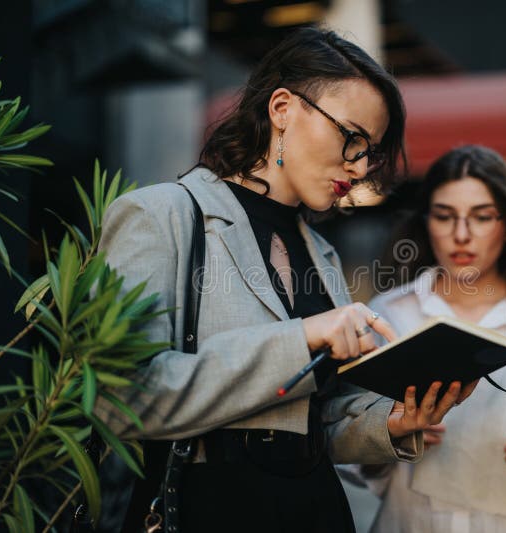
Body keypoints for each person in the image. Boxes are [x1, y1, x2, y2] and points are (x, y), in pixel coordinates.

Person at [93, 28, 475, 532]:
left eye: (372, 151)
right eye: (351, 137)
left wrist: (394, 422)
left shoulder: (322, 254)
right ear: (282, 109)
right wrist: (302, 338)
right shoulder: (159, 216)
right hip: (206, 509)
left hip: (316, 510)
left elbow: (308, 421)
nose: (359, 165)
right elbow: (123, 399)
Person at [348, 145, 506, 532]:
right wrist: (392, 433)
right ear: (426, 222)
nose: (461, 235)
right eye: (445, 217)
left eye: (481, 217)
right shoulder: (391, 312)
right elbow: (350, 441)